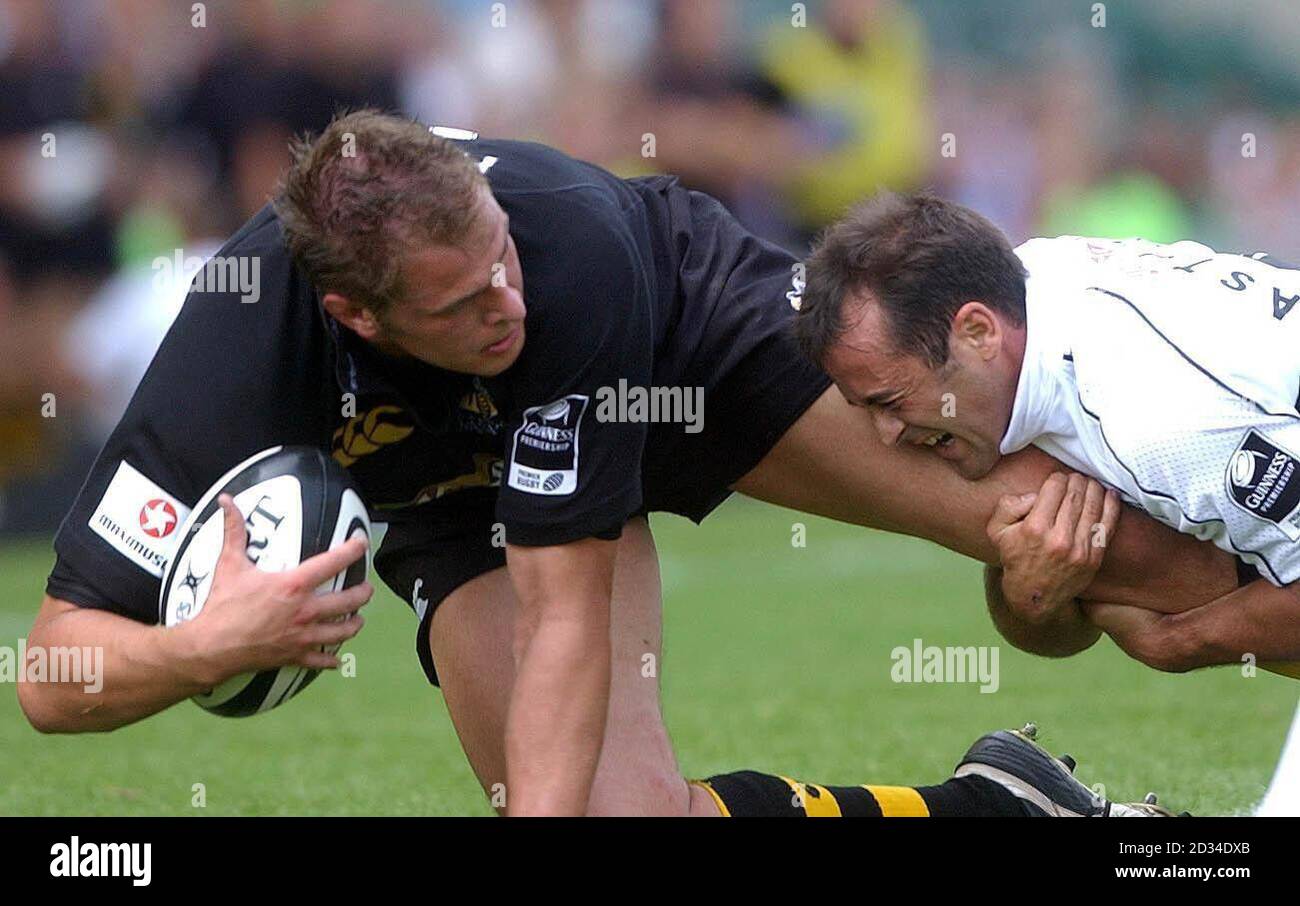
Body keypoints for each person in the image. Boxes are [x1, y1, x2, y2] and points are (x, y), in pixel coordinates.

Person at [23, 112, 1219, 816]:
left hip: (682, 332)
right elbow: (48, 672)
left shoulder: (564, 254)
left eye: (499, 257)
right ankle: (996, 812)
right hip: (458, 484)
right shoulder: (235, 355)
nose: (505, 300)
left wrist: (1034, 586)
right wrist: (198, 650)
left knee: (1132, 563)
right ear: (358, 317)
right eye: (460, 300)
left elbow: (568, 610)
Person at [794, 190, 1300, 678]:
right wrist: (1028, 595)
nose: (885, 436)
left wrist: (1176, 642)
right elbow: (1055, 625)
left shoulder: (1160, 420)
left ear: (978, 332)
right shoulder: (1027, 293)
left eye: (891, 402)